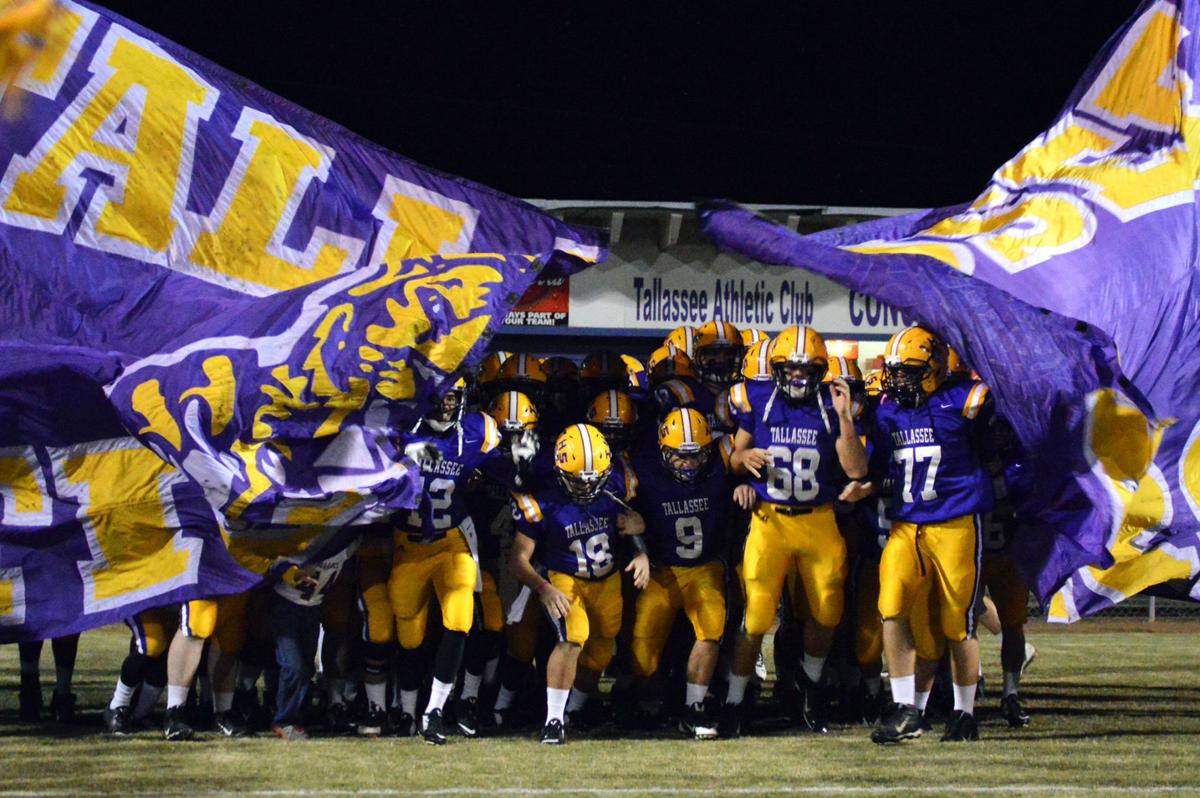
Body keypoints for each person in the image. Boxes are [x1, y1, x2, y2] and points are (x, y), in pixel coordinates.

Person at [723, 325, 868, 736]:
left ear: (821, 370)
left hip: (819, 520)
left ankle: (809, 686)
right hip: (770, 521)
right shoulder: (758, 400)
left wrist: (843, 418)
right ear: (777, 369)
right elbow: (735, 460)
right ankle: (735, 700)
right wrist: (743, 456)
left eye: (807, 370)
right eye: (791, 369)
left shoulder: (832, 405)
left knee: (827, 612)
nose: (799, 378)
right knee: (755, 617)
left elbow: (857, 469)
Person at [854, 325, 995, 744]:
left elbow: (995, 443)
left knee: (957, 623)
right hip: (906, 525)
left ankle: (964, 712)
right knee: (891, 609)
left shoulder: (964, 403)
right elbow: (876, 467)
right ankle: (904, 709)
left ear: (934, 369)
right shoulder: (886, 412)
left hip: (957, 523)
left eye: (909, 372)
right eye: (895, 372)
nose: (899, 381)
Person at [385, 376, 526, 745]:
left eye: (453, 400)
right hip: (408, 545)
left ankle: (433, 712)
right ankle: (407, 710)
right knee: (410, 638)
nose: (446, 407)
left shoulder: (475, 431)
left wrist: (525, 457)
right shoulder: (399, 429)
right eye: (440, 399)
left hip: (452, 542)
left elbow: (508, 470)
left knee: (460, 620)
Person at [509, 423, 649, 745]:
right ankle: (553, 720)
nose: (586, 488)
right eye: (577, 480)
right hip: (565, 577)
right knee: (574, 635)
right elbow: (518, 559)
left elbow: (633, 524)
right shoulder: (544, 500)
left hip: (608, 580)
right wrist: (542, 587)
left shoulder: (616, 485)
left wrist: (642, 553)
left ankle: (574, 711)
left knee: (600, 653)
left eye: (592, 479)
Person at [629, 408, 751, 738]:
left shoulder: (721, 460)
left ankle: (694, 706)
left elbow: (744, 459)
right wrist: (637, 545)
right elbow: (617, 508)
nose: (688, 464)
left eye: (696, 456)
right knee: (643, 655)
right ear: (662, 451)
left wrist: (745, 483)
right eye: (680, 457)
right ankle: (648, 701)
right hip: (661, 569)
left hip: (705, 567)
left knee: (711, 627)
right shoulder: (642, 467)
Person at [268, 536, 360, 741]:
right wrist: (291, 572)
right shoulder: (305, 536)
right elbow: (273, 559)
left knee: (305, 668)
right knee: (293, 666)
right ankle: (284, 720)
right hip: (285, 605)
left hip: (312, 608)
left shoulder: (343, 543)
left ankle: (298, 717)